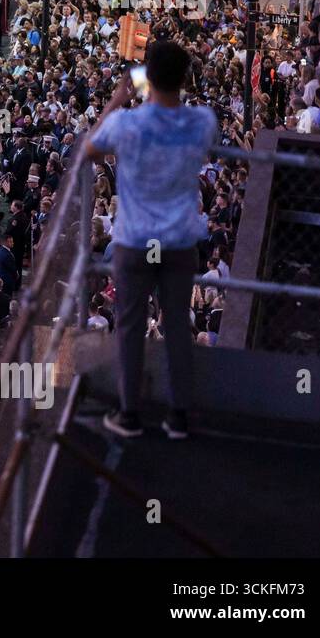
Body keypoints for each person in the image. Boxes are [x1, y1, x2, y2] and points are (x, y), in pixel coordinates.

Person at [85, 41, 217, 440]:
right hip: (179, 241)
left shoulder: (127, 124)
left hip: (135, 240)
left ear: (147, 78)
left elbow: (89, 148)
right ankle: (178, 415)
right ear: (185, 78)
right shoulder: (202, 120)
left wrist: (117, 99)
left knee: (129, 325)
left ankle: (129, 414)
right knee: (176, 324)